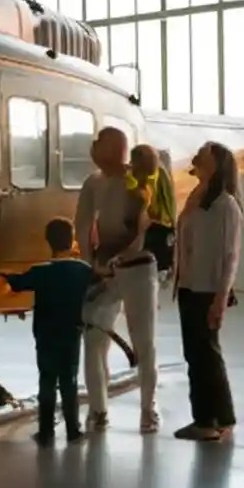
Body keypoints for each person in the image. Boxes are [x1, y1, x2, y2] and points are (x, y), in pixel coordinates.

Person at [74, 127, 161, 434]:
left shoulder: (136, 182)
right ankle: (98, 409)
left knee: (144, 342)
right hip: (103, 273)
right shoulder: (93, 183)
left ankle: (149, 409)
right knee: (93, 340)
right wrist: (90, 263)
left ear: (116, 148)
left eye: (99, 143)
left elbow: (139, 225)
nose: (93, 147)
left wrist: (113, 255)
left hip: (136, 269)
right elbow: (82, 223)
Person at [0, 218, 113, 447]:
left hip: (45, 335)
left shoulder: (40, 271)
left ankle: (46, 431)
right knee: (69, 382)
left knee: (47, 382)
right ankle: (73, 430)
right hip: (72, 333)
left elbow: (16, 283)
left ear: (48, 241)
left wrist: (2, 273)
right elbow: (101, 281)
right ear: (71, 241)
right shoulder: (82, 270)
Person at [172, 141, 243, 442]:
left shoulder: (225, 204)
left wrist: (220, 299)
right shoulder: (196, 197)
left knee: (206, 356)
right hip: (189, 286)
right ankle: (212, 418)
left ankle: (210, 420)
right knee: (197, 355)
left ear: (217, 163)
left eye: (204, 151)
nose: (197, 153)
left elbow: (231, 255)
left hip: (207, 289)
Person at [125, 144, 177, 277]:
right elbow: (137, 196)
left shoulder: (159, 173)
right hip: (141, 227)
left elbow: (167, 199)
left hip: (161, 226)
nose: (156, 161)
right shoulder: (129, 176)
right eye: (152, 159)